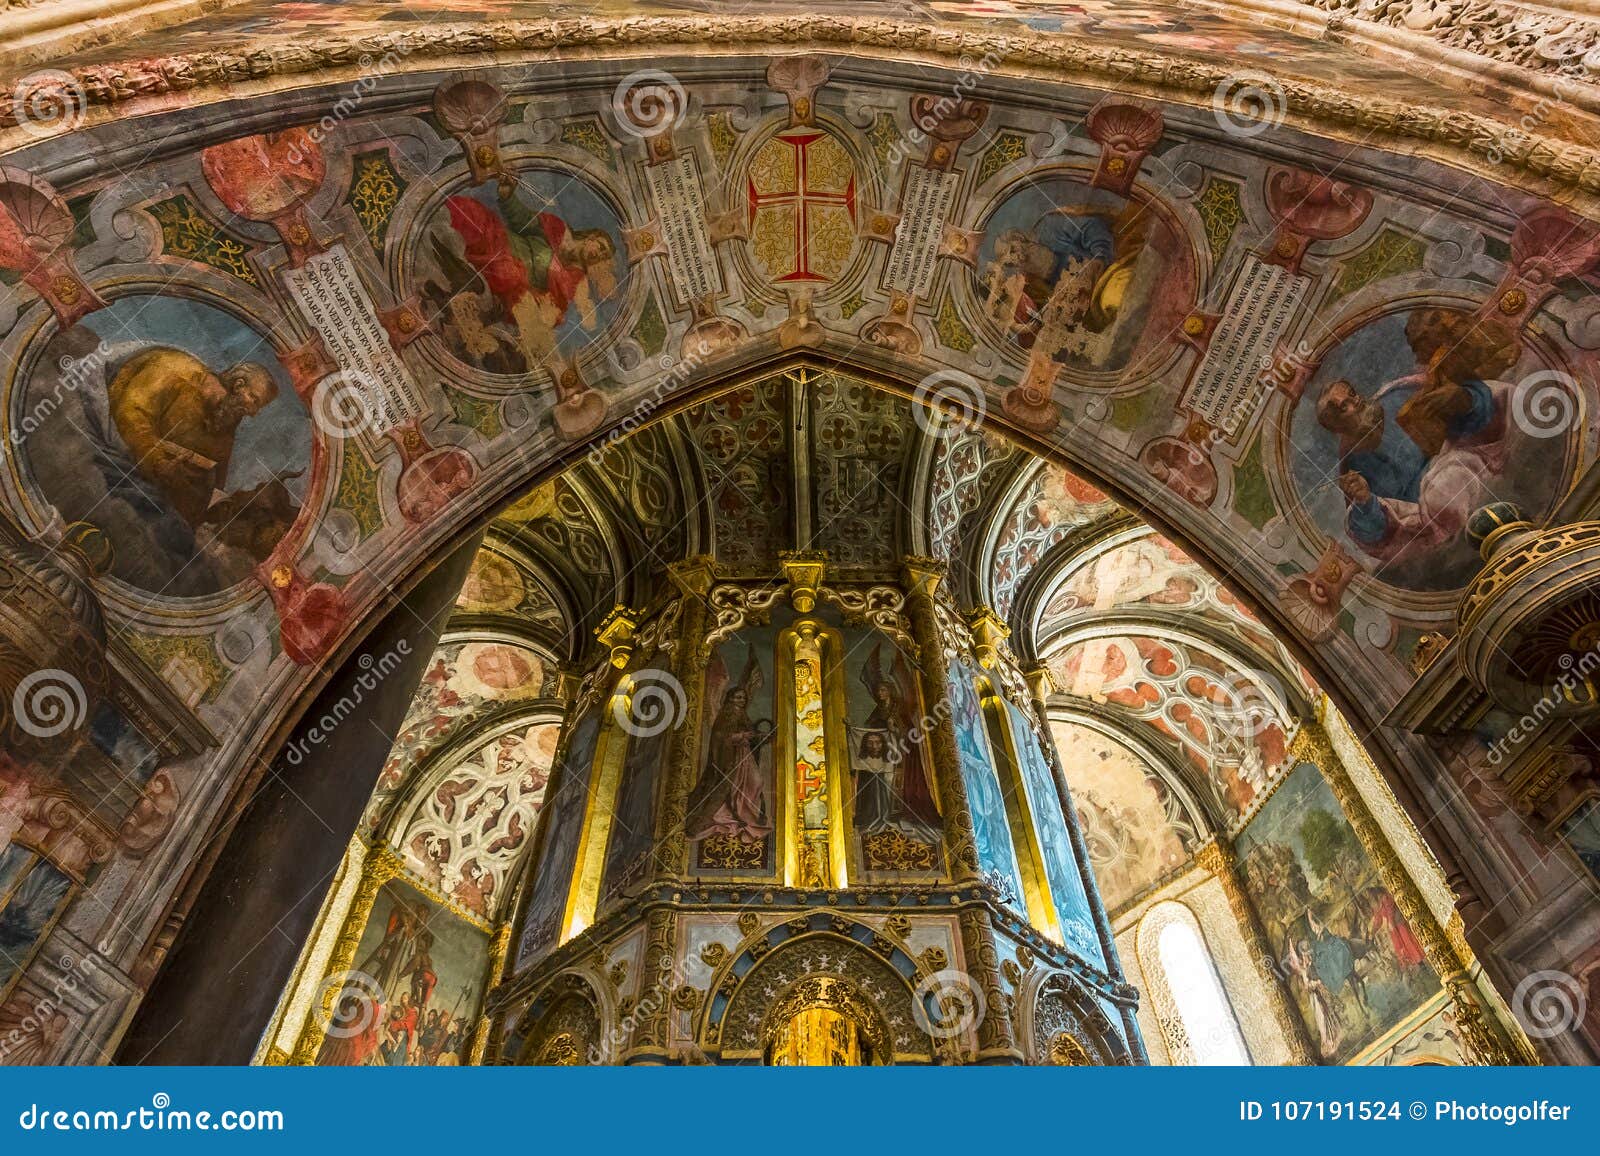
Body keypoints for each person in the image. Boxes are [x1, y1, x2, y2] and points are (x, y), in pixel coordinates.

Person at [1315, 310, 1521, 568]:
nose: (1353, 405)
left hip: (1472, 459)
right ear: (1335, 427)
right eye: (1341, 408)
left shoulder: (1397, 395)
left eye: (1351, 396)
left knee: (1506, 397)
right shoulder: (1356, 467)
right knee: (1441, 493)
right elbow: (1378, 532)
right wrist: (1365, 502)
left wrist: (1465, 401)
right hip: (1436, 511)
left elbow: (1471, 402)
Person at [102, 348, 278, 528]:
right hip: (116, 458)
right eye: (254, 400)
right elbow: (129, 415)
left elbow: (217, 471)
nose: (254, 413)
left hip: (158, 499)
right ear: (238, 385)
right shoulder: (174, 370)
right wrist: (158, 462)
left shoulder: (225, 418)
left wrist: (215, 505)